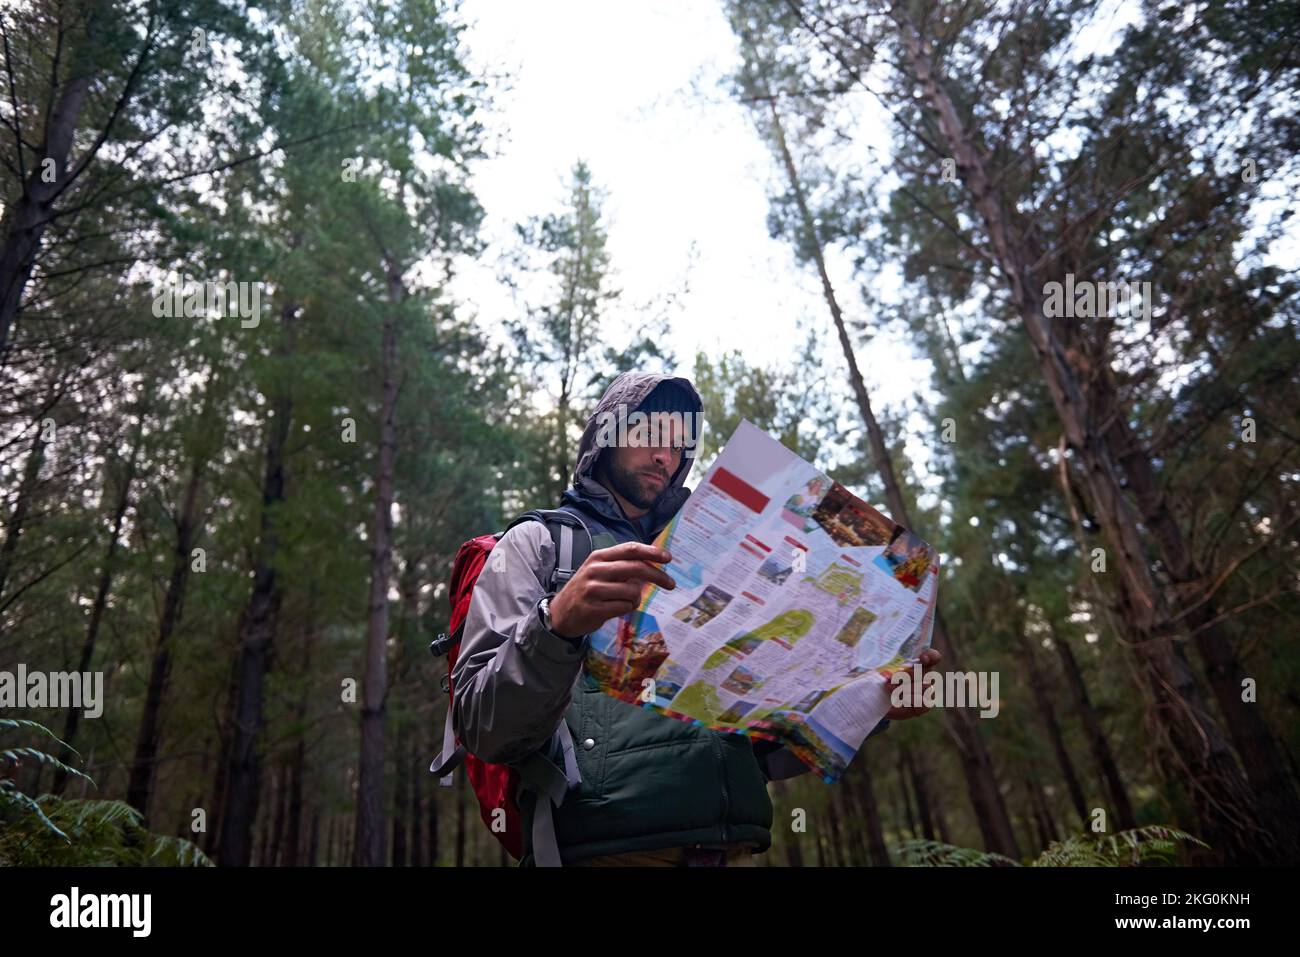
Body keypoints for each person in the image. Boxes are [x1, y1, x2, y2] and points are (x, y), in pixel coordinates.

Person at [451, 371, 940, 867]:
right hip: (606, 853)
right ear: (606, 435)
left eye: (679, 443)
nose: (665, 455)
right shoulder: (541, 546)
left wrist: (874, 702)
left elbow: (765, 744)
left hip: (735, 849)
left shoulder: (720, 557)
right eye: (648, 436)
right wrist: (555, 626)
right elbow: (483, 726)